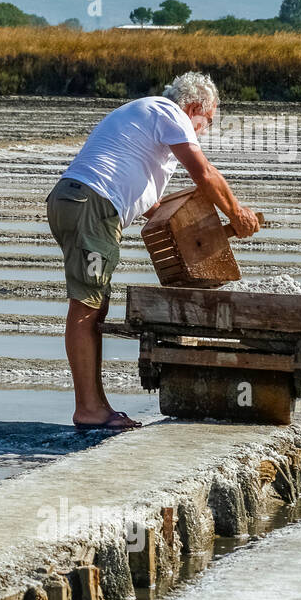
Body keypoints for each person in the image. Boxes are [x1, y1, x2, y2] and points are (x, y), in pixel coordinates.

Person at [47, 71, 260, 431]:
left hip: (75, 201)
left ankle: (94, 406)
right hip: (92, 205)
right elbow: (204, 173)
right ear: (194, 107)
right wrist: (237, 213)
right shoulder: (169, 112)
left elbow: (154, 205)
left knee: (94, 304)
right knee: (86, 306)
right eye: (206, 121)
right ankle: (89, 410)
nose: (203, 130)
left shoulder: (146, 119)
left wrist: (199, 234)